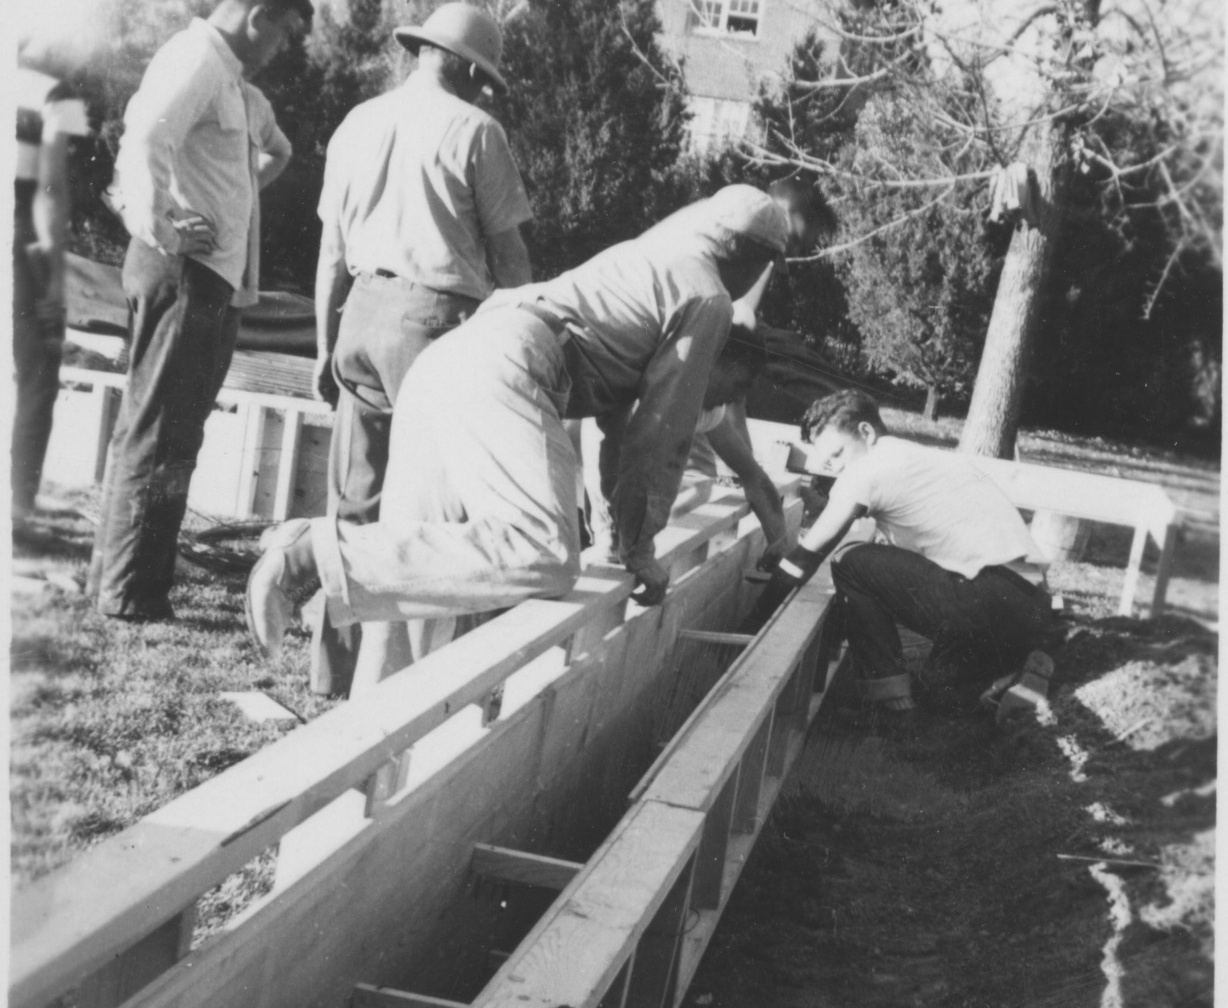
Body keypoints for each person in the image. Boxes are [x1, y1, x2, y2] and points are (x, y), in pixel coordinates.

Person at [246, 182, 832, 667]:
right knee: (545, 552)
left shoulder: (645, 261)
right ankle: (313, 553)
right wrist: (638, 547)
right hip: (510, 363)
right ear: (753, 259)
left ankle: (368, 782)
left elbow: (621, 424)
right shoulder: (707, 296)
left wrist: (621, 540)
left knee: (412, 603)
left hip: (457, 353)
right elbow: (660, 433)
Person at [309, 2, 532, 693]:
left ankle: (336, 670)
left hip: (360, 314)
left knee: (356, 497)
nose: (483, 89)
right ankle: (420, 677)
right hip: (436, 319)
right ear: (467, 67)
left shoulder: (359, 121)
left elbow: (331, 251)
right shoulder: (476, 130)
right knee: (441, 510)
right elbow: (511, 258)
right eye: (482, 77)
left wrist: (324, 344)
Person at [91, 0, 313, 621]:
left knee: (166, 430)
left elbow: (274, 155)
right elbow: (143, 139)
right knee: (159, 431)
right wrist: (156, 224)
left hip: (204, 277)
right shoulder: (196, 59)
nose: (282, 50)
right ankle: (129, 592)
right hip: (181, 272)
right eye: (284, 34)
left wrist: (227, 207)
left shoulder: (227, 78)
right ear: (258, 16)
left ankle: (127, 578)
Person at [753, 390, 1059, 717]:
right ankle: (1011, 671)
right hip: (1033, 603)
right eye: (828, 461)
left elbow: (806, 558)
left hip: (985, 597)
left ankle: (889, 704)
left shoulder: (867, 470)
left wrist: (755, 623)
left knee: (850, 561)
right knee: (939, 696)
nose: (835, 467)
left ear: (866, 433)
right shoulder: (922, 458)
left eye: (839, 454)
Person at [582, 325, 789, 567]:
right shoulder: (648, 392)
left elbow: (754, 477)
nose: (738, 399)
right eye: (739, 384)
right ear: (714, 363)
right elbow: (606, 464)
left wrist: (779, 541)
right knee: (611, 551)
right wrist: (611, 532)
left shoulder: (709, 410)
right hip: (592, 461)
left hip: (628, 486)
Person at [12, 55, 91, 521]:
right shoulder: (57, 95)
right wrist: (56, 281)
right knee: (37, 374)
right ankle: (16, 511)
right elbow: (50, 189)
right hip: (21, 238)